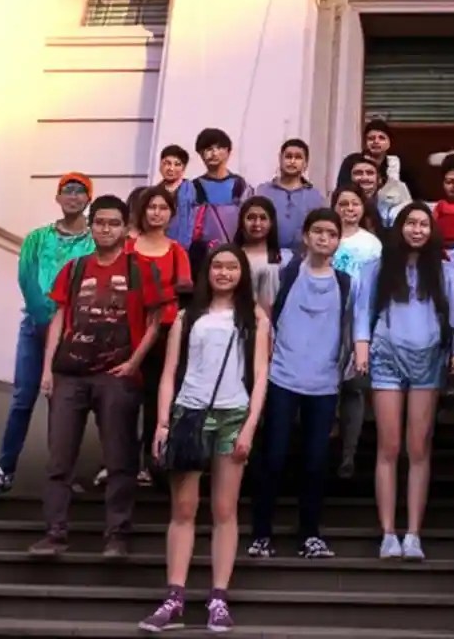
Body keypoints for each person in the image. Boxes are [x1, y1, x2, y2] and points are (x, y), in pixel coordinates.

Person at [29, 194, 170, 558]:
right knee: (59, 459)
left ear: (126, 229)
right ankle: (55, 532)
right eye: (100, 222)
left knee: (121, 459)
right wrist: (47, 369)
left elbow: (157, 320)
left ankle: (117, 535)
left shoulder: (141, 269)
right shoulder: (74, 269)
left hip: (118, 376)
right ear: (91, 227)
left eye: (113, 223)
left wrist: (135, 363)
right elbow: (59, 317)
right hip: (70, 374)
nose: (106, 229)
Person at [138, 245, 269, 633]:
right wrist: (162, 423)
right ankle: (174, 597)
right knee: (183, 509)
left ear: (242, 273)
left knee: (225, 510)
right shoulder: (186, 316)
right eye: (218, 266)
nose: (224, 273)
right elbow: (169, 372)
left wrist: (249, 427)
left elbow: (261, 376)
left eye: (232, 267)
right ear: (206, 272)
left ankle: (218, 597)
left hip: (233, 415)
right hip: (188, 414)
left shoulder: (254, 318)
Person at [354, 203, 454, 561]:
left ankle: (413, 533)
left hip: (429, 357)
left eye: (423, 224)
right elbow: (362, 310)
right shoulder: (378, 267)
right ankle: (388, 532)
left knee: (418, 448)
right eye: (410, 223)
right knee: (388, 447)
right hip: (386, 352)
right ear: (399, 227)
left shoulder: (444, 270)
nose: (417, 230)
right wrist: (361, 348)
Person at [0, 173, 94, 497]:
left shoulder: (94, 241)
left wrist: (70, 323)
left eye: (80, 191)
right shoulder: (37, 238)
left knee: (65, 404)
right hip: (35, 327)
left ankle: (62, 474)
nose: (73, 196)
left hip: (77, 331)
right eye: (66, 191)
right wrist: (46, 318)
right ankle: (4, 469)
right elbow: (27, 279)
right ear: (57, 198)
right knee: (23, 397)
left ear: (88, 199)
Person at [249, 209, 357, 560]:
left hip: (324, 383)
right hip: (283, 376)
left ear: (339, 241)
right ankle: (261, 533)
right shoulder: (282, 274)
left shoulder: (345, 282)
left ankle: (310, 534)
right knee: (274, 457)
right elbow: (263, 319)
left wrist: (344, 371)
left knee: (315, 461)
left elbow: (347, 330)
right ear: (305, 236)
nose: (324, 238)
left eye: (331, 233)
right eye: (318, 232)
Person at [128, 186, 193, 487]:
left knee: (156, 399)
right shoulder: (127, 247)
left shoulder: (177, 251)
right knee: (123, 401)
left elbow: (184, 293)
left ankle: (150, 462)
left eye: (162, 207)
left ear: (171, 214)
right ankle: (118, 462)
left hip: (165, 334)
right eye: (151, 207)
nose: (156, 212)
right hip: (127, 329)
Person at [331, 184, 385, 479]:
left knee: (354, 387)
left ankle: (349, 453)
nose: (349, 209)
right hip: (327, 318)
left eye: (354, 204)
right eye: (343, 203)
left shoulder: (372, 244)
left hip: (359, 319)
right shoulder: (327, 236)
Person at [179, 128, 255, 274]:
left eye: (219, 148)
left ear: (228, 152)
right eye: (208, 149)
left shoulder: (241, 186)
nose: (214, 153)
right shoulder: (191, 188)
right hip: (202, 257)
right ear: (200, 154)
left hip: (236, 252)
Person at [255, 138, 325, 258]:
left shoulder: (315, 196)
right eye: (288, 156)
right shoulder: (263, 191)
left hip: (303, 259)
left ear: (306, 163)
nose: (292, 161)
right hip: (267, 257)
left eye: (298, 157)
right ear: (280, 159)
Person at [232, 196, 288, 318]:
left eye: (263, 218)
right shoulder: (232, 256)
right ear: (241, 222)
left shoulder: (283, 259)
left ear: (271, 223)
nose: (257, 223)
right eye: (250, 218)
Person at [157, 145, 196, 246]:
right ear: (160, 165)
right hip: (159, 245)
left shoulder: (193, 190)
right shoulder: (153, 192)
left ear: (183, 168)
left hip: (186, 247)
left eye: (177, 164)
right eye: (167, 163)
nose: (171, 168)